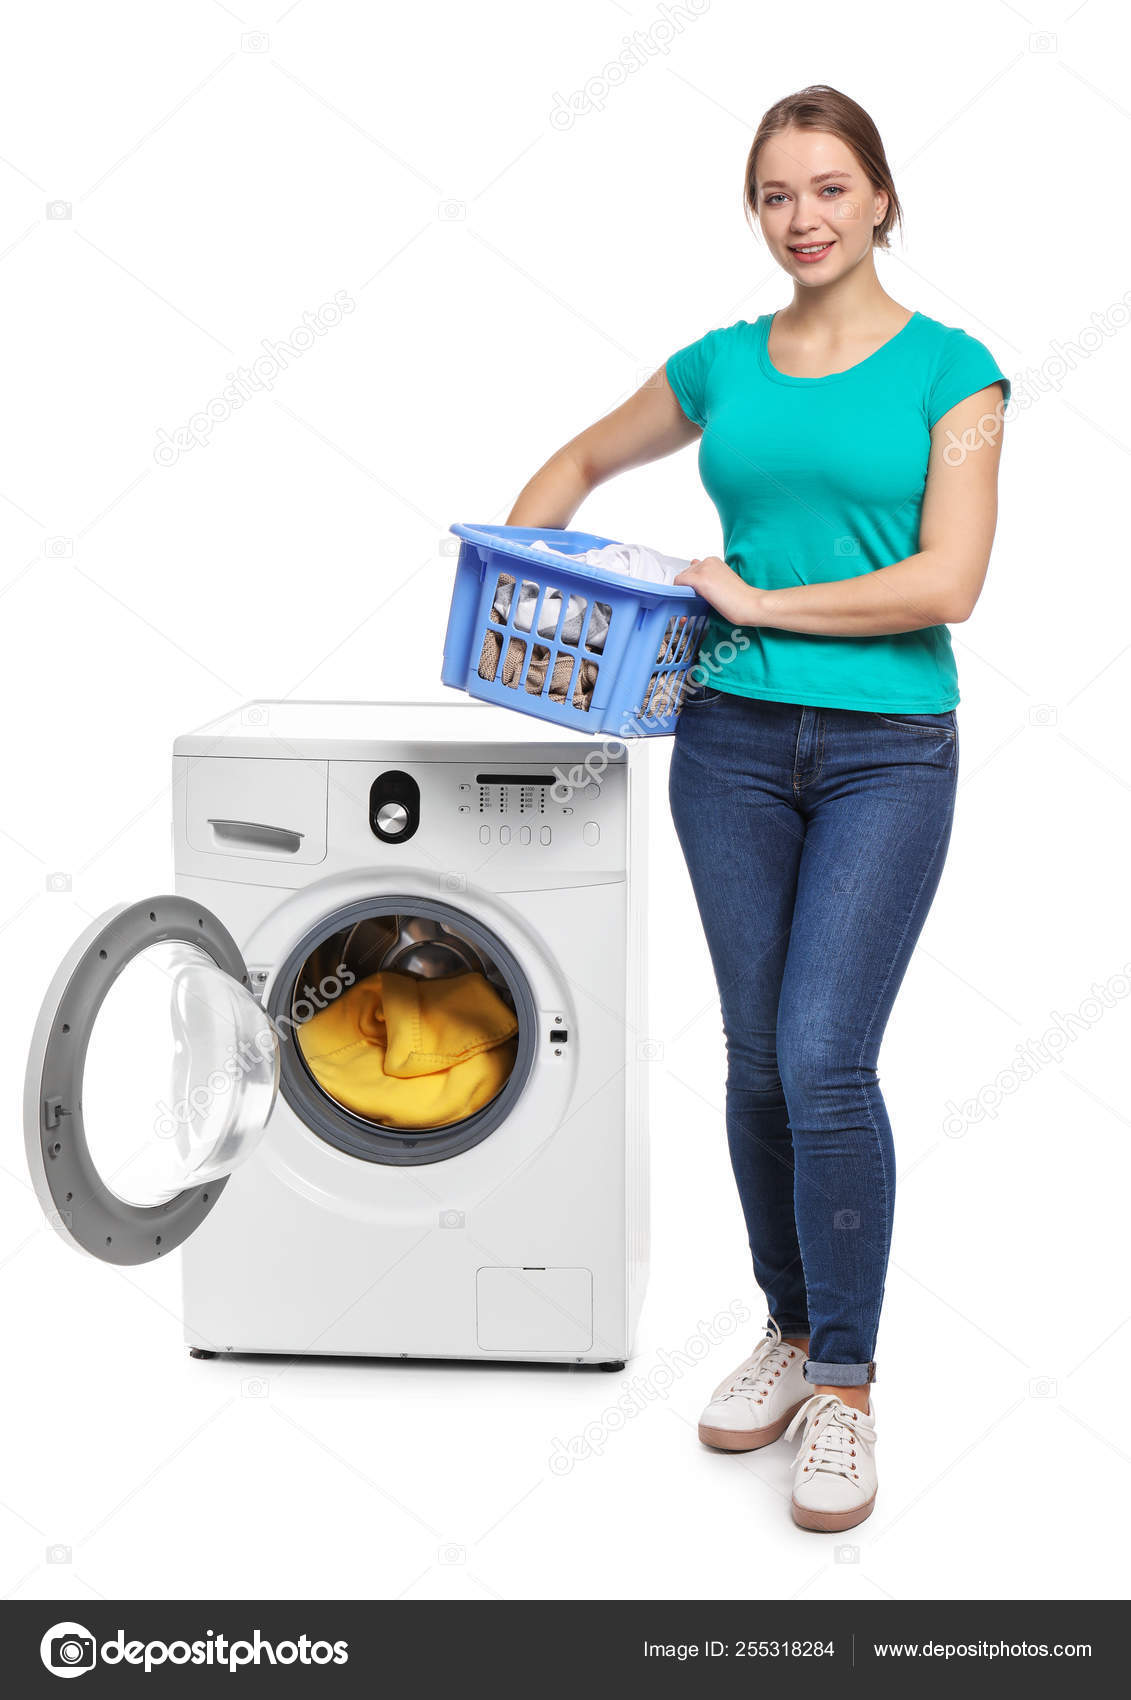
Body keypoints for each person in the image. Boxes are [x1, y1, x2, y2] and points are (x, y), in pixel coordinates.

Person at [507, 84, 1009, 1532]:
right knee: (753, 1062)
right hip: (723, 744)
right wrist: (523, 574)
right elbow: (586, 457)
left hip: (885, 755)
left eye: (832, 189)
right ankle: (788, 1331)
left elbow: (949, 583)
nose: (805, 218)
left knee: (823, 1057)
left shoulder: (955, 378)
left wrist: (761, 600)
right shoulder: (721, 366)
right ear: (759, 210)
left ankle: (845, 1385)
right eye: (779, 195)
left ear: (882, 202)